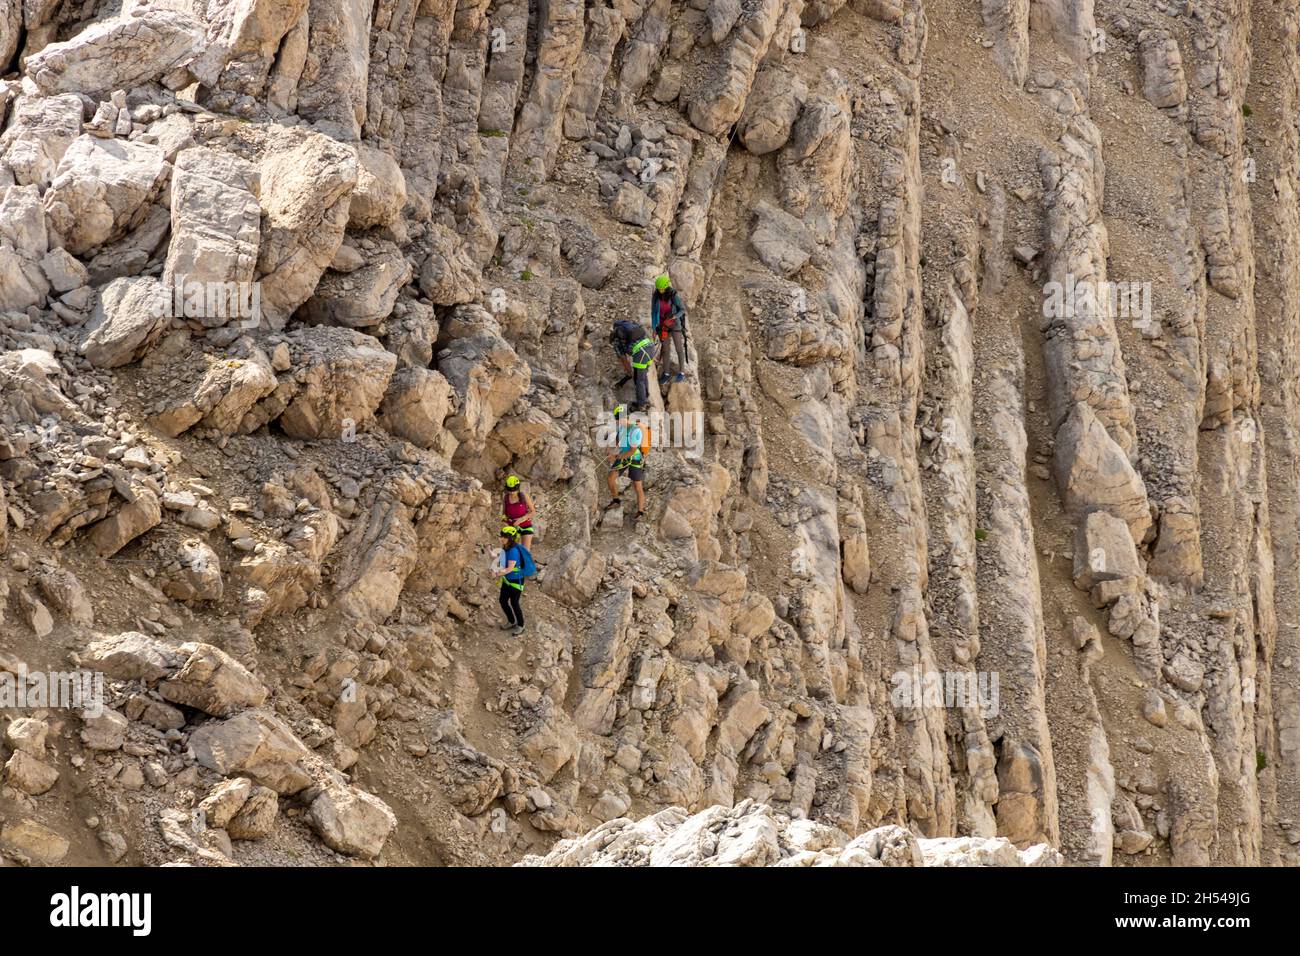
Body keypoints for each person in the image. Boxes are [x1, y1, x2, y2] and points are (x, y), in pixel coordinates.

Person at [603, 404, 647, 523]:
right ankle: (616, 500)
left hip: (635, 458)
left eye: (617, 419)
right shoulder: (622, 427)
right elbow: (618, 440)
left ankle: (641, 511)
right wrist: (610, 447)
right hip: (623, 456)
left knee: (637, 486)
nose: (617, 422)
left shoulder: (635, 431)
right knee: (611, 478)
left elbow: (632, 451)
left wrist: (615, 456)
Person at [609, 318, 656, 410]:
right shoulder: (631, 326)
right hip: (651, 348)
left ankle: (641, 404)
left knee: (639, 379)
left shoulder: (616, 342)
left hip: (641, 352)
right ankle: (645, 397)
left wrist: (629, 371)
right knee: (642, 375)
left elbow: (623, 359)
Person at [650, 273, 688, 384]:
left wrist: (674, 316)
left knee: (679, 349)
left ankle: (682, 372)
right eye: (659, 289)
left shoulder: (672, 295)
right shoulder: (656, 295)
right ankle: (666, 374)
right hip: (663, 326)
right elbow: (654, 312)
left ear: (666, 287)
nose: (661, 291)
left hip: (674, 324)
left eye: (662, 289)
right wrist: (654, 328)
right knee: (665, 350)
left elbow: (682, 309)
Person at [496, 526, 527, 635]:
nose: (502, 538)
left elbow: (509, 568)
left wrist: (497, 573)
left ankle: (521, 625)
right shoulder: (506, 547)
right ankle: (511, 621)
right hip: (507, 579)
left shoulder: (513, 551)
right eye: (501, 536)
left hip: (515, 581)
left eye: (504, 537)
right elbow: (501, 559)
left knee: (514, 603)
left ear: (510, 538)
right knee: (503, 601)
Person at [501, 475, 538, 547]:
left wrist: (521, 519)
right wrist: (505, 522)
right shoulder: (506, 498)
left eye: (513, 490)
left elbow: (533, 512)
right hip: (512, 527)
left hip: (525, 525)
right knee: (512, 550)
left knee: (525, 551)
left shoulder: (524, 496)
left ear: (518, 488)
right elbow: (504, 514)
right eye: (510, 490)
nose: (511, 492)